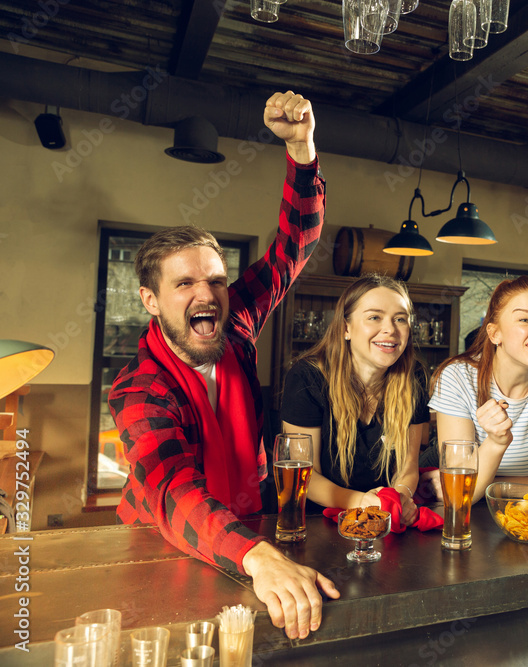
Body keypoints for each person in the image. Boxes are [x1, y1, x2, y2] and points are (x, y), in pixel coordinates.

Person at [108, 91, 338, 640]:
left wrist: (302, 149)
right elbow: (174, 489)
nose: (206, 293)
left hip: (249, 531)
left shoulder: (233, 323)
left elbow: (293, 247)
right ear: (150, 300)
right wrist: (257, 556)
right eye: (184, 283)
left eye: (214, 279)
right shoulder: (139, 388)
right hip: (163, 548)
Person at [280, 274, 427, 525]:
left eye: (400, 319)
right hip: (315, 523)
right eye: (374, 317)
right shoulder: (308, 378)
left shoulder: (414, 377)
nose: (390, 329)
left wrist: (400, 498)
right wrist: (364, 503)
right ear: (346, 328)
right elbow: (305, 476)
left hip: (384, 522)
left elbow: (409, 465)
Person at [428, 276, 528, 503]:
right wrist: (496, 442)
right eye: (524, 319)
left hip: (524, 509)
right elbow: (459, 495)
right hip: (458, 514)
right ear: (495, 334)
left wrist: (491, 486)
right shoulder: (457, 377)